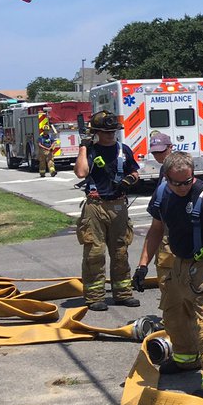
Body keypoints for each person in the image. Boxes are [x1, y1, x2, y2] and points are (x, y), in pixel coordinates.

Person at [138, 151, 203, 405]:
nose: (183, 187)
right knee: (174, 316)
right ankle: (186, 359)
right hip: (178, 264)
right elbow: (156, 230)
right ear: (167, 178)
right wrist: (143, 265)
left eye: (187, 182)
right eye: (177, 183)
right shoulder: (163, 194)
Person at [74, 110, 141, 311]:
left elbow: (135, 172)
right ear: (96, 133)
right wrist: (83, 148)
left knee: (121, 251)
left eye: (113, 131)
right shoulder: (91, 150)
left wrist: (130, 180)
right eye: (105, 132)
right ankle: (95, 297)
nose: (110, 135)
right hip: (95, 206)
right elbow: (80, 172)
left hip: (119, 206)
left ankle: (122, 293)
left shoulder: (123, 150)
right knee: (95, 253)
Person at [133, 133, 176, 294]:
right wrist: (142, 266)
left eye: (161, 151)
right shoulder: (164, 170)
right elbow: (155, 228)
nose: (158, 155)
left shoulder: (176, 170)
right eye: (155, 152)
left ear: (170, 148)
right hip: (166, 231)